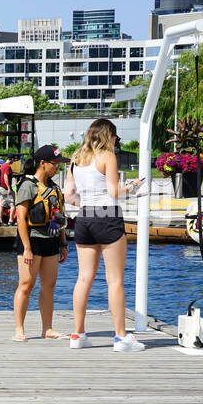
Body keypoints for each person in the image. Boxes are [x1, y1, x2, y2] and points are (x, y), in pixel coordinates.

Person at [62, 121, 146, 352]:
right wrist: (132, 187)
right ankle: (121, 337)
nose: (116, 141)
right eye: (115, 137)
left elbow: (68, 195)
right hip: (107, 218)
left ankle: (77, 335)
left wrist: (86, 205)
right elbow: (113, 192)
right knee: (115, 280)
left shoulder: (76, 158)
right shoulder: (107, 156)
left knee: (83, 278)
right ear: (108, 136)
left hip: (85, 217)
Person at [12, 145, 71, 342]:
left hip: (51, 241)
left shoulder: (55, 188)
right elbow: (21, 218)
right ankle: (19, 329)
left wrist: (63, 244)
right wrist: (27, 248)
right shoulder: (28, 185)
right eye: (55, 164)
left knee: (49, 286)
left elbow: (59, 218)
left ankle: (48, 328)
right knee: (26, 285)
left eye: (59, 165)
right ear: (42, 163)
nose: (57, 168)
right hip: (32, 241)